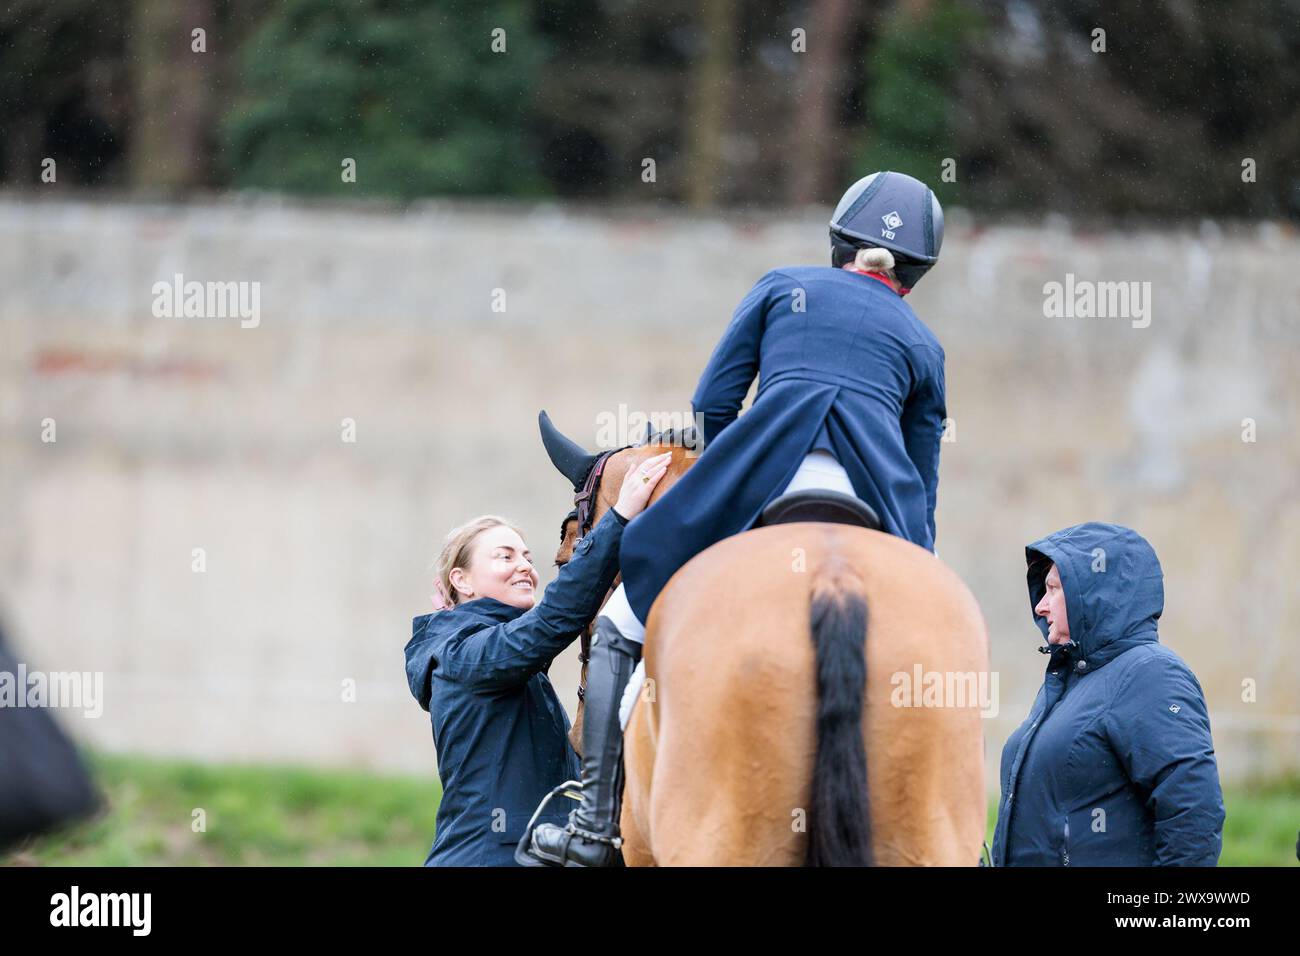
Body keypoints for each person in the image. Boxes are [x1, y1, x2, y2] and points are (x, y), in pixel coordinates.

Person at [528, 170, 949, 866]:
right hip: (876, 503)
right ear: (917, 270)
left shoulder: (782, 287)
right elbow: (923, 481)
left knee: (617, 627)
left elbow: (713, 406)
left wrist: (728, 479)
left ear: (840, 240)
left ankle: (593, 828)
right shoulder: (925, 345)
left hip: (767, 480)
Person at [404, 452, 671, 866]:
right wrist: (617, 518)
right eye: (505, 556)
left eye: (528, 557)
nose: (525, 566)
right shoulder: (460, 654)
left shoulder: (503, 663)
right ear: (461, 580)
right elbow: (552, 621)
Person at [991, 522, 1225, 866]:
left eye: (1054, 589)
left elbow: (1193, 814)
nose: (1040, 606)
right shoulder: (1069, 680)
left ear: (1094, 594)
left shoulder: (1150, 674)